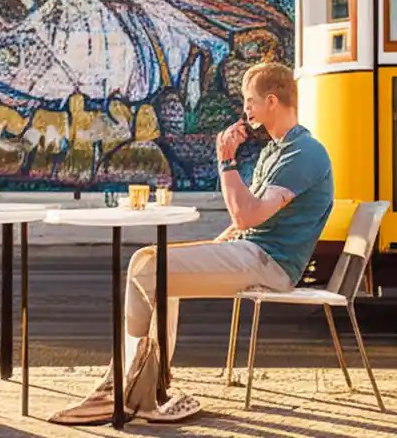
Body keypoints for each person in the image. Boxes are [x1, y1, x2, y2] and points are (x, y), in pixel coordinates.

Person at [52, 61, 334, 424]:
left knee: (151, 267)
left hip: (271, 264)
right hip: (252, 251)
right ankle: (141, 385)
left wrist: (226, 160)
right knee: (147, 264)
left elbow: (246, 216)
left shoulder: (304, 152)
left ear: (272, 101)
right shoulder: (276, 150)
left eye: (250, 100)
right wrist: (215, 246)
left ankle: (128, 387)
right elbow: (244, 223)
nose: (245, 109)